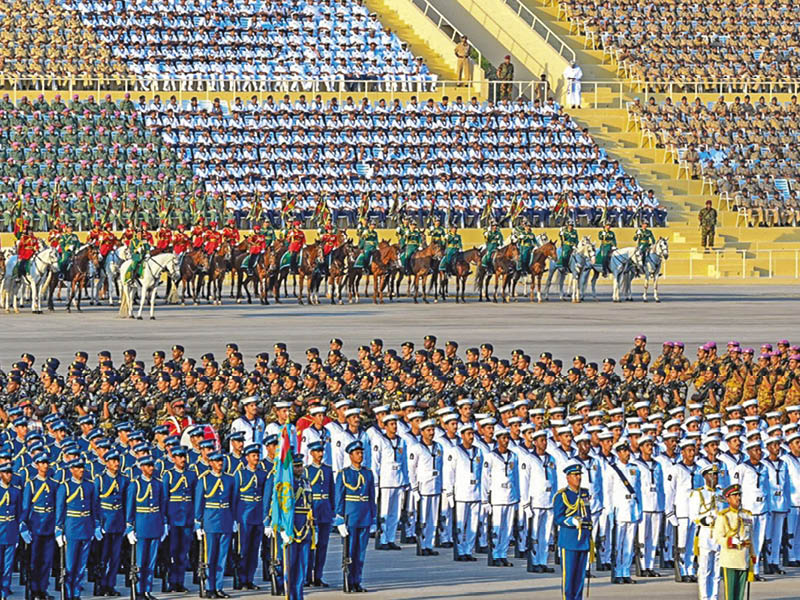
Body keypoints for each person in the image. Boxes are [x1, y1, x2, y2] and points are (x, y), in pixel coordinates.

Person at [55, 458, 102, 600]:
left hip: (86, 527)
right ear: (71, 470)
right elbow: (60, 509)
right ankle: (68, 593)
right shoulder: (65, 486)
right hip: (72, 528)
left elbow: (94, 507)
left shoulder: (90, 486)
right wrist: (59, 529)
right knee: (70, 565)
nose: (81, 470)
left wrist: (96, 526)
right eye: (77, 468)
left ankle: (76, 593)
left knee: (82, 564)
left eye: (82, 467)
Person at [195, 451, 240, 598]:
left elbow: (234, 500)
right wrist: (198, 523)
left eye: (221, 460)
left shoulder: (230, 479)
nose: (220, 463)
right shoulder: (204, 480)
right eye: (216, 461)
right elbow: (199, 503)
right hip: (210, 521)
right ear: (210, 463)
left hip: (226, 520)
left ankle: (219, 587)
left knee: (222, 557)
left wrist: (234, 520)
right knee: (210, 557)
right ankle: (209, 587)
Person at [334, 441, 376, 593]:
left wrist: (373, 517)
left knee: (361, 552)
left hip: (364, 515)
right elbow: (339, 497)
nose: (360, 455)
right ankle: (348, 580)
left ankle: (357, 581)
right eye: (357, 453)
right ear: (350, 456)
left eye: (361, 453)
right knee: (350, 551)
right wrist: (339, 518)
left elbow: (371, 496)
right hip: (350, 516)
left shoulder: (368, 473)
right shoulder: (344, 474)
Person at [125, 455, 167, 600]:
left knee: (151, 561)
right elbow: (130, 507)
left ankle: (147, 590)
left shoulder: (158, 484)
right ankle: (138, 590)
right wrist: (130, 527)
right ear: (142, 468)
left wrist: (164, 523)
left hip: (155, 524)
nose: (151, 468)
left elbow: (162, 505)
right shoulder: (135, 484)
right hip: (141, 525)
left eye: (152, 466)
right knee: (140, 561)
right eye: (148, 466)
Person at [553, 463, 592, 600]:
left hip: (583, 540)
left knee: (580, 577)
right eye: (575, 475)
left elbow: (587, 515)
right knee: (569, 577)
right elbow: (558, 518)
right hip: (569, 540)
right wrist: (571, 521)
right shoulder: (562, 495)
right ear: (568, 477)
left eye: (579, 475)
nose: (578, 477)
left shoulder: (584, 493)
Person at [482, 426, 520, 566]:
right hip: (497, 497)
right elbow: (485, 479)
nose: (506, 441)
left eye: (507, 438)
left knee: (507, 529)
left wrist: (518, 497)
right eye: (503, 438)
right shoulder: (491, 456)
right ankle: (495, 555)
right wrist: (485, 500)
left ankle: (503, 554)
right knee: (497, 528)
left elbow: (516, 477)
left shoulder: (513, 456)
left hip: (510, 497)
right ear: (497, 440)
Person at [22, 452, 57, 600]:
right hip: (36, 526)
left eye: (46, 463)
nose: (45, 466)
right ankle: (34, 589)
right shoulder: (31, 484)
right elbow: (26, 506)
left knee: (47, 560)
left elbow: (57, 506)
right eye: (42, 463)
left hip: (50, 525)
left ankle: (43, 588)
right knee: (35, 560)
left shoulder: (54, 484)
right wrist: (23, 526)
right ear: (36, 465)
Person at [371, 413, 408, 551]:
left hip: (398, 481)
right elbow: (375, 463)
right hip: (386, 481)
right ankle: (383, 539)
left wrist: (406, 480)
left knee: (395, 513)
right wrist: (376, 481)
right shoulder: (380, 440)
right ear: (385, 426)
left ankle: (391, 538)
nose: (394, 426)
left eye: (395, 424)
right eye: (391, 424)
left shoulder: (401, 441)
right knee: (385, 512)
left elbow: (404, 462)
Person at [162, 446, 195, 593]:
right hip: (173, 519)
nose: (183, 459)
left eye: (184, 457)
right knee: (173, 552)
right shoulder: (169, 475)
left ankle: (180, 581)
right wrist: (165, 520)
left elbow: (194, 497)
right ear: (173, 459)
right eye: (179, 457)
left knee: (183, 552)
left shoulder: (191, 475)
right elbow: (164, 499)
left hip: (187, 518)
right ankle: (171, 581)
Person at [234, 443, 267, 591]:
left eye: (257, 455)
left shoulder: (262, 474)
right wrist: (235, 518)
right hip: (244, 515)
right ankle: (241, 579)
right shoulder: (240, 474)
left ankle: (250, 579)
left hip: (258, 514)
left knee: (254, 549)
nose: (256, 458)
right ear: (247, 457)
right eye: (253, 456)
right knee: (243, 549)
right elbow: (235, 497)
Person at [713, 484, 755, 600]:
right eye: (734, 495)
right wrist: (730, 541)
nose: (738, 498)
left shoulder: (747, 515)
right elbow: (718, 537)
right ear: (728, 499)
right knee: (730, 595)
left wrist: (753, 554)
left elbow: (751, 537)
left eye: (739, 495)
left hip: (744, 559)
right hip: (730, 559)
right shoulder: (723, 516)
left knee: (740, 595)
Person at [94, 450, 127, 596]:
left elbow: (126, 502)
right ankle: (101, 584)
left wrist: (127, 523)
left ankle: (110, 584)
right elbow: (95, 503)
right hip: (105, 522)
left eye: (117, 460)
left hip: (118, 521)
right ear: (106, 463)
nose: (116, 463)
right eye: (113, 461)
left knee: (115, 557)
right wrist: (97, 524)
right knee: (103, 556)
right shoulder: (100, 479)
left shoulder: (123, 479)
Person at [690, 464, 722, 600]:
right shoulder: (698, 493)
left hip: (719, 534)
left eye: (716, 475)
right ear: (705, 476)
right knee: (704, 569)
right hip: (706, 534)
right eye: (712, 475)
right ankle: (704, 597)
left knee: (717, 570)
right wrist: (703, 520)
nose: (715, 477)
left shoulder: (722, 493)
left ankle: (714, 596)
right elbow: (693, 515)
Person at [305, 441, 333, 587]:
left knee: (322, 545)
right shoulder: (307, 471)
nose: (320, 454)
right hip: (312, 510)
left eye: (321, 451)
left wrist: (334, 511)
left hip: (325, 510)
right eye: (317, 451)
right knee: (310, 545)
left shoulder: (327, 470)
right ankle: (307, 575)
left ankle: (318, 576)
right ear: (311, 453)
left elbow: (332, 491)